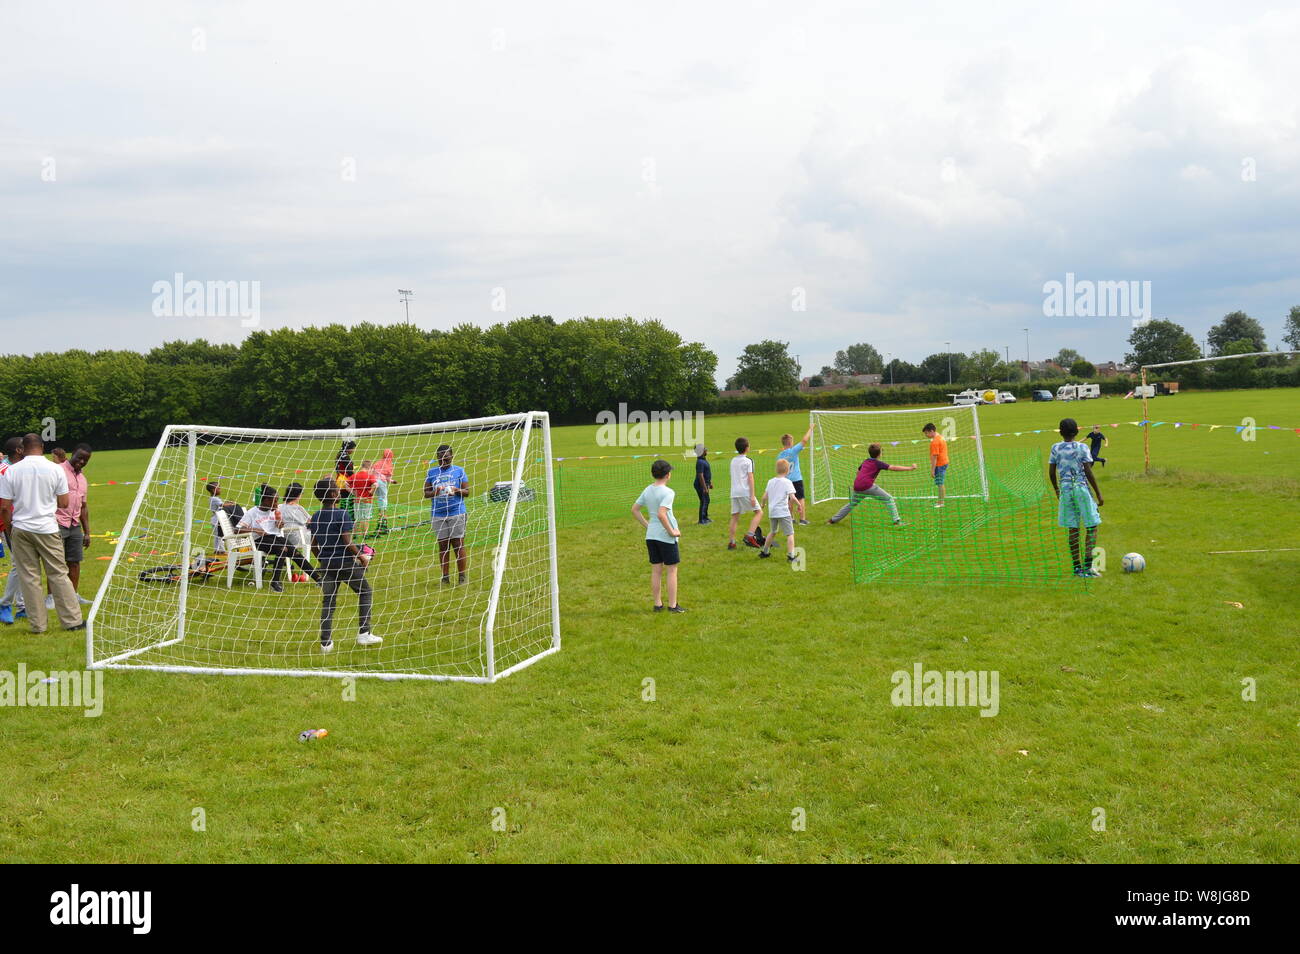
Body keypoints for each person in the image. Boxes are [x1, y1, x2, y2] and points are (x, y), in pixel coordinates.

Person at [0, 433, 83, 632]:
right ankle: (72, 621)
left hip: (21, 528)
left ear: (23, 448)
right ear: (42, 447)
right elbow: (64, 503)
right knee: (58, 574)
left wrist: (10, 528)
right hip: (47, 527)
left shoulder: (11, 471)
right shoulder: (55, 469)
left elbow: (4, 507)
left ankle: (37, 625)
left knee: (29, 577)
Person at [308, 477, 381, 653]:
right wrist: (362, 557)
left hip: (326, 565)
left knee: (329, 602)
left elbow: (313, 545)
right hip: (344, 563)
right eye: (337, 488)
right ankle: (364, 633)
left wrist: (323, 559)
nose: (340, 490)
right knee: (365, 591)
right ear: (334, 494)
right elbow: (347, 542)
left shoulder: (316, 516)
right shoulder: (342, 514)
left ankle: (325, 643)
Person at [236, 484, 320, 592]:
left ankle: (318, 578)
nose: (276, 504)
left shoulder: (274, 512)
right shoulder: (253, 512)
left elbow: (278, 527)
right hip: (259, 540)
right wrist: (256, 530)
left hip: (276, 538)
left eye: (277, 501)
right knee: (282, 549)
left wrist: (279, 523)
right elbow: (237, 529)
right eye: (274, 501)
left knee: (296, 553)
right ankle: (275, 582)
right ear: (265, 500)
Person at [1049, 418, 1104, 578]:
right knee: (1091, 526)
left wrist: (1057, 490)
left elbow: (1052, 473)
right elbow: (1088, 471)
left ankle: (1077, 568)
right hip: (1081, 489)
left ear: (1060, 432)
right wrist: (1099, 493)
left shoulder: (1055, 448)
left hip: (1065, 490)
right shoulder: (1082, 447)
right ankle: (1088, 567)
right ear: (1077, 432)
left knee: (1073, 529)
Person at [631, 459, 684, 612]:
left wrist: (648, 526)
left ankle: (657, 604)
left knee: (656, 570)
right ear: (668, 475)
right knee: (672, 570)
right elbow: (662, 514)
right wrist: (671, 532)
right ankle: (673, 606)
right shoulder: (668, 492)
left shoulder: (648, 489)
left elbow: (635, 509)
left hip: (651, 536)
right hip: (665, 537)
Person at [826, 443, 917, 526]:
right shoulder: (877, 463)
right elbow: (893, 467)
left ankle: (832, 520)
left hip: (857, 486)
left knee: (851, 504)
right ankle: (897, 521)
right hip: (867, 486)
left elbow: (858, 472)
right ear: (879, 454)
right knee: (889, 499)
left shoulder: (866, 461)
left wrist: (864, 480)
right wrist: (910, 468)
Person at [52, 443, 92, 606]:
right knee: (56, 563)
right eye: (79, 457)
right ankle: (51, 598)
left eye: (85, 460)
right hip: (57, 523)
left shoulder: (82, 479)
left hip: (74, 525)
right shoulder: (57, 470)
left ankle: (73, 595)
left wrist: (87, 532)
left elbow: (83, 506)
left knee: (74, 562)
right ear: (72, 453)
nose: (81, 462)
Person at [424, 444, 469, 585]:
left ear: (451, 456)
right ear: (437, 457)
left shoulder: (459, 471)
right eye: (441, 457)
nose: (444, 460)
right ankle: (445, 577)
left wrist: (456, 490)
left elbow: (467, 492)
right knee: (443, 546)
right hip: (438, 514)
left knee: (458, 544)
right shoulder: (431, 472)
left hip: (457, 512)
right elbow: (426, 493)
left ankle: (462, 576)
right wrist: (436, 492)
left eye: (447, 457)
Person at [0, 437, 27, 624]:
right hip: (9, 522)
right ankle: (6, 604)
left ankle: (22, 606)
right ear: (18, 450)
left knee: (22, 563)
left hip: (21, 521)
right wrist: (7, 526)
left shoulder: (16, 469)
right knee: (19, 563)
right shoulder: (5, 471)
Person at [758, 458, 799, 562]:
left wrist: (762, 504)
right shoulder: (788, 482)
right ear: (787, 470)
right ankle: (791, 556)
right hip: (783, 512)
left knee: (773, 531)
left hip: (772, 512)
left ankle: (765, 552)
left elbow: (764, 496)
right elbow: (793, 498)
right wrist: (799, 505)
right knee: (790, 533)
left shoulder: (770, 482)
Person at [728, 437, 763, 550]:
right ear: (747, 448)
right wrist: (752, 495)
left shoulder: (733, 460)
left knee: (734, 517)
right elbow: (750, 478)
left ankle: (732, 542)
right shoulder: (749, 461)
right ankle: (750, 535)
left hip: (734, 492)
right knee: (759, 512)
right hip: (745, 492)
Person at [777, 426, 813, 525]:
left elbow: (779, 469)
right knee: (800, 498)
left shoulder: (780, 455)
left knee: (789, 499)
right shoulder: (793, 451)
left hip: (786, 480)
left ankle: (791, 519)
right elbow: (804, 440)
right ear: (790, 443)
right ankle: (802, 519)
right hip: (797, 479)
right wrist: (810, 429)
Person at [278, 482, 313, 576]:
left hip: (284, 538)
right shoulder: (296, 508)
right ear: (298, 495)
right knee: (324, 535)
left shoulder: (279, 507)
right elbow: (310, 521)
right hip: (298, 538)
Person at [922, 423, 949, 508]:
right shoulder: (940, 437)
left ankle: (941, 502)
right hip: (945, 462)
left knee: (940, 483)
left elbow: (934, 457)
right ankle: (940, 501)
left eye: (926, 433)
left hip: (940, 464)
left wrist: (932, 470)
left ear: (932, 431)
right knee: (940, 483)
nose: (926, 435)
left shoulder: (935, 442)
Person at [348, 460, 377, 538]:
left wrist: (352, 492)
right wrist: (371, 492)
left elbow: (345, 483)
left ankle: (354, 534)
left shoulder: (355, 475)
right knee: (365, 518)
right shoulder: (370, 476)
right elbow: (375, 484)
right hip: (366, 500)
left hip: (357, 500)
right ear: (369, 467)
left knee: (357, 517)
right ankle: (365, 535)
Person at [371, 448, 395, 534]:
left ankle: (381, 521)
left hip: (374, 482)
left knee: (379, 500)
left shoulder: (378, 462)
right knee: (383, 501)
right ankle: (382, 524)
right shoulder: (389, 464)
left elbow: (372, 472)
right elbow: (387, 477)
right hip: (381, 483)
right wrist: (391, 480)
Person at [693, 444, 712, 525]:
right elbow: (700, 475)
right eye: (705, 449)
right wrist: (704, 488)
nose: (706, 450)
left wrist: (710, 483)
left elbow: (706, 473)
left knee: (707, 500)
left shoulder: (703, 460)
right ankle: (701, 520)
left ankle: (705, 517)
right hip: (700, 485)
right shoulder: (700, 462)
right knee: (704, 501)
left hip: (705, 484)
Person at [206, 482, 224, 552]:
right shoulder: (214, 499)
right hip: (216, 519)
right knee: (219, 536)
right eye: (218, 488)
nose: (220, 489)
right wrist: (231, 504)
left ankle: (218, 550)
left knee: (218, 536)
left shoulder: (214, 498)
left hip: (217, 518)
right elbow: (223, 505)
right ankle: (220, 551)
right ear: (214, 490)